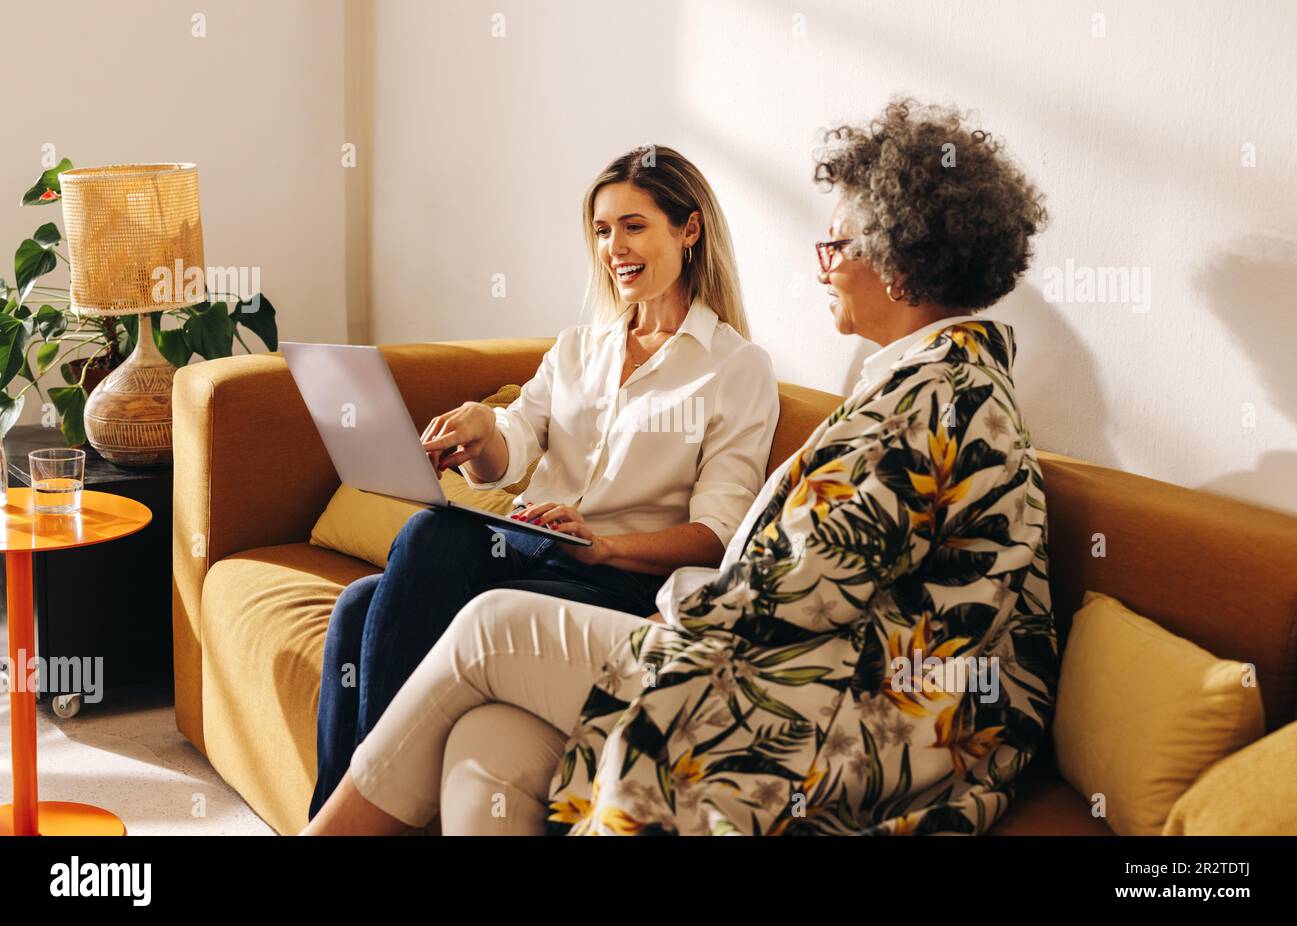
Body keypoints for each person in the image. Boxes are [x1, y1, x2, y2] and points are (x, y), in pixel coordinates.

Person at [302, 97, 1057, 836]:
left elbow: (783, 586)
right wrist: (485, 429)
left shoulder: (923, 398)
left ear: (899, 263)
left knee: (471, 598)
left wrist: (653, 582)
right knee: (477, 721)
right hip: (758, 643)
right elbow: (812, 572)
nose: (821, 267)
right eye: (602, 229)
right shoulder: (924, 385)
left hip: (820, 695)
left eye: (834, 247)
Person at [306, 145, 781, 820]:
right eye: (602, 230)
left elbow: (719, 536)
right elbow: (510, 449)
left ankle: (355, 824)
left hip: (617, 579)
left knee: (432, 536)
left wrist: (608, 547)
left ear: (689, 229)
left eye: (633, 225)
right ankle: (335, 815)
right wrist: (478, 430)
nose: (614, 246)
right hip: (530, 547)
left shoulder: (736, 368)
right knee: (358, 605)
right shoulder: (578, 348)